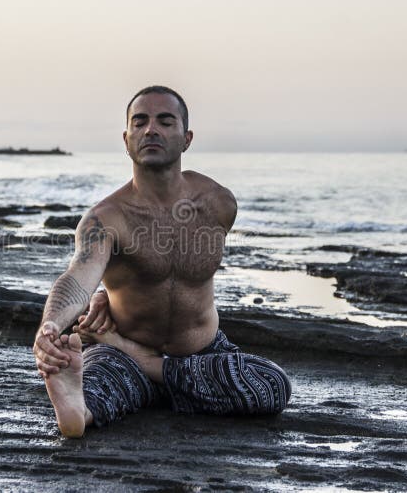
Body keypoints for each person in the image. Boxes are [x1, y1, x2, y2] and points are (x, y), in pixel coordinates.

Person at [32, 85, 292, 438]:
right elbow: (78, 276)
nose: (150, 129)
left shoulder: (218, 204)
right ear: (126, 140)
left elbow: (175, 273)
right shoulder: (106, 218)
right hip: (120, 356)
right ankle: (81, 409)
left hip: (200, 352)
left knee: (273, 385)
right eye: (139, 122)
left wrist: (107, 300)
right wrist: (50, 327)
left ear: (186, 138)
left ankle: (152, 377)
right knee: (94, 388)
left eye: (165, 121)